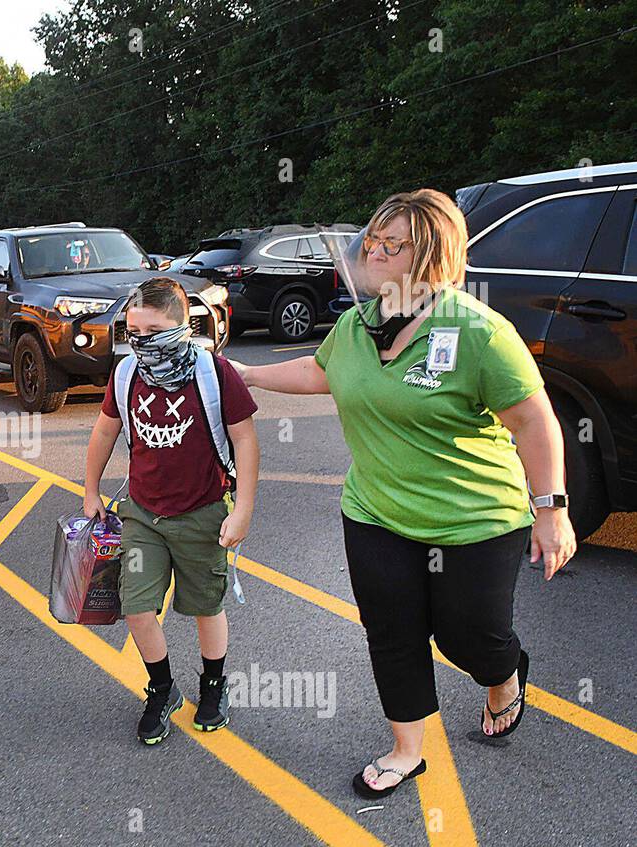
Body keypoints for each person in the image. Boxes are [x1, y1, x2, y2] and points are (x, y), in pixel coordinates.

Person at [231, 189, 576, 798]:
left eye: (396, 245)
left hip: (475, 520)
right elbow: (320, 371)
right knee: (392, 631)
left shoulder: (479, 332)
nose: (377, 252)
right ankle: (406, 748)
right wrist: (245, 372)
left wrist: (551, 510)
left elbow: (534, 422)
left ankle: (502, 677)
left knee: (470, 635)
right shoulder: (357, 324)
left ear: (435, 256)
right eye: (375, 241)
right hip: (376, 514)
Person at [84, 277, 260, 745]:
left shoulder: (213, 373)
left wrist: (241, 510)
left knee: (206, 606)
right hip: (143, 513)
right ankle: (162, 689)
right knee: (137, 606)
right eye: (132, 331)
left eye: (152, 330)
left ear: (181, 328)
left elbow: (244, 439)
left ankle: (214, 685)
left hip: (202, 511)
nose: (141, 342)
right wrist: (90, 492)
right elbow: (104, 433)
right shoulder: (127, 375)